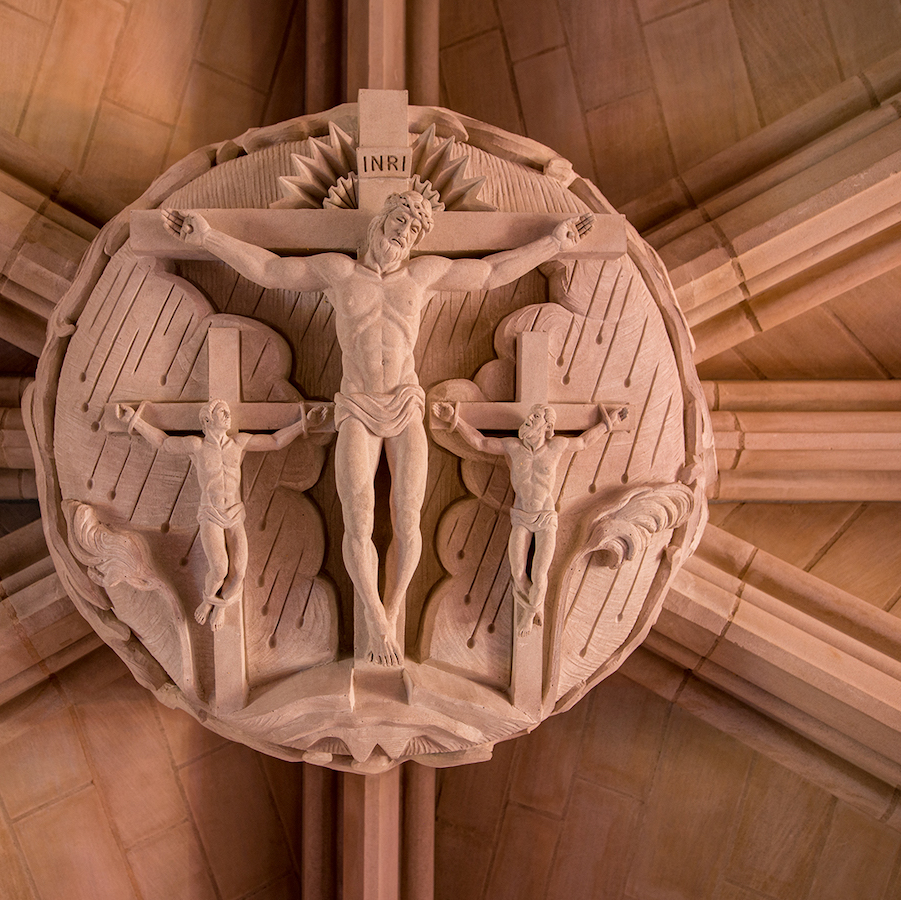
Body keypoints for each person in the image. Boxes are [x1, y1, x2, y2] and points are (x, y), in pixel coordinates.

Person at [163, 193, 593, 665]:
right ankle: (374, 616)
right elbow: (270, 270)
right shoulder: (339, 272)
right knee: (359, 519)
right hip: (357, 405)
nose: (404, 233)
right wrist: (209, 238)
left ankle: (391, 611)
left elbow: (490, 273)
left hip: (406, 404)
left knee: (408, 518)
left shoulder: (422, 276)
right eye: (400, 220)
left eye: (414, 230)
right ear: (382, 219)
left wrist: (553, 244)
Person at [117, 399, 325, 629]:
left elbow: (275, 441)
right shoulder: (197, 446)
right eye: (222, 412)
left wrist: (304, 423)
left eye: (227, 411)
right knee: (219, 569)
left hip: (234, 513)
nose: (228, 415)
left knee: (239, 571)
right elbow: (163, 442)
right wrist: (135, 420)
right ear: (207, 420)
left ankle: (221, 606)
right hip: (211, 514)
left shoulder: (238, 442)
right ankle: (208, 601)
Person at [433, 401, 625, 635]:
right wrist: (455, 420)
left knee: (540, 573)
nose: (529, 419)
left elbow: (584, 442)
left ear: (547, 426)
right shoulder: (513, 447)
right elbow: (481, 442)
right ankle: (534, 604)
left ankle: (530, 613)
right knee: (518, 573)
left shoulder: (556, 446)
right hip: (521, 517)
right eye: (530, 416)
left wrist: (608, 423)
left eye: (535, 417)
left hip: (546, 518)